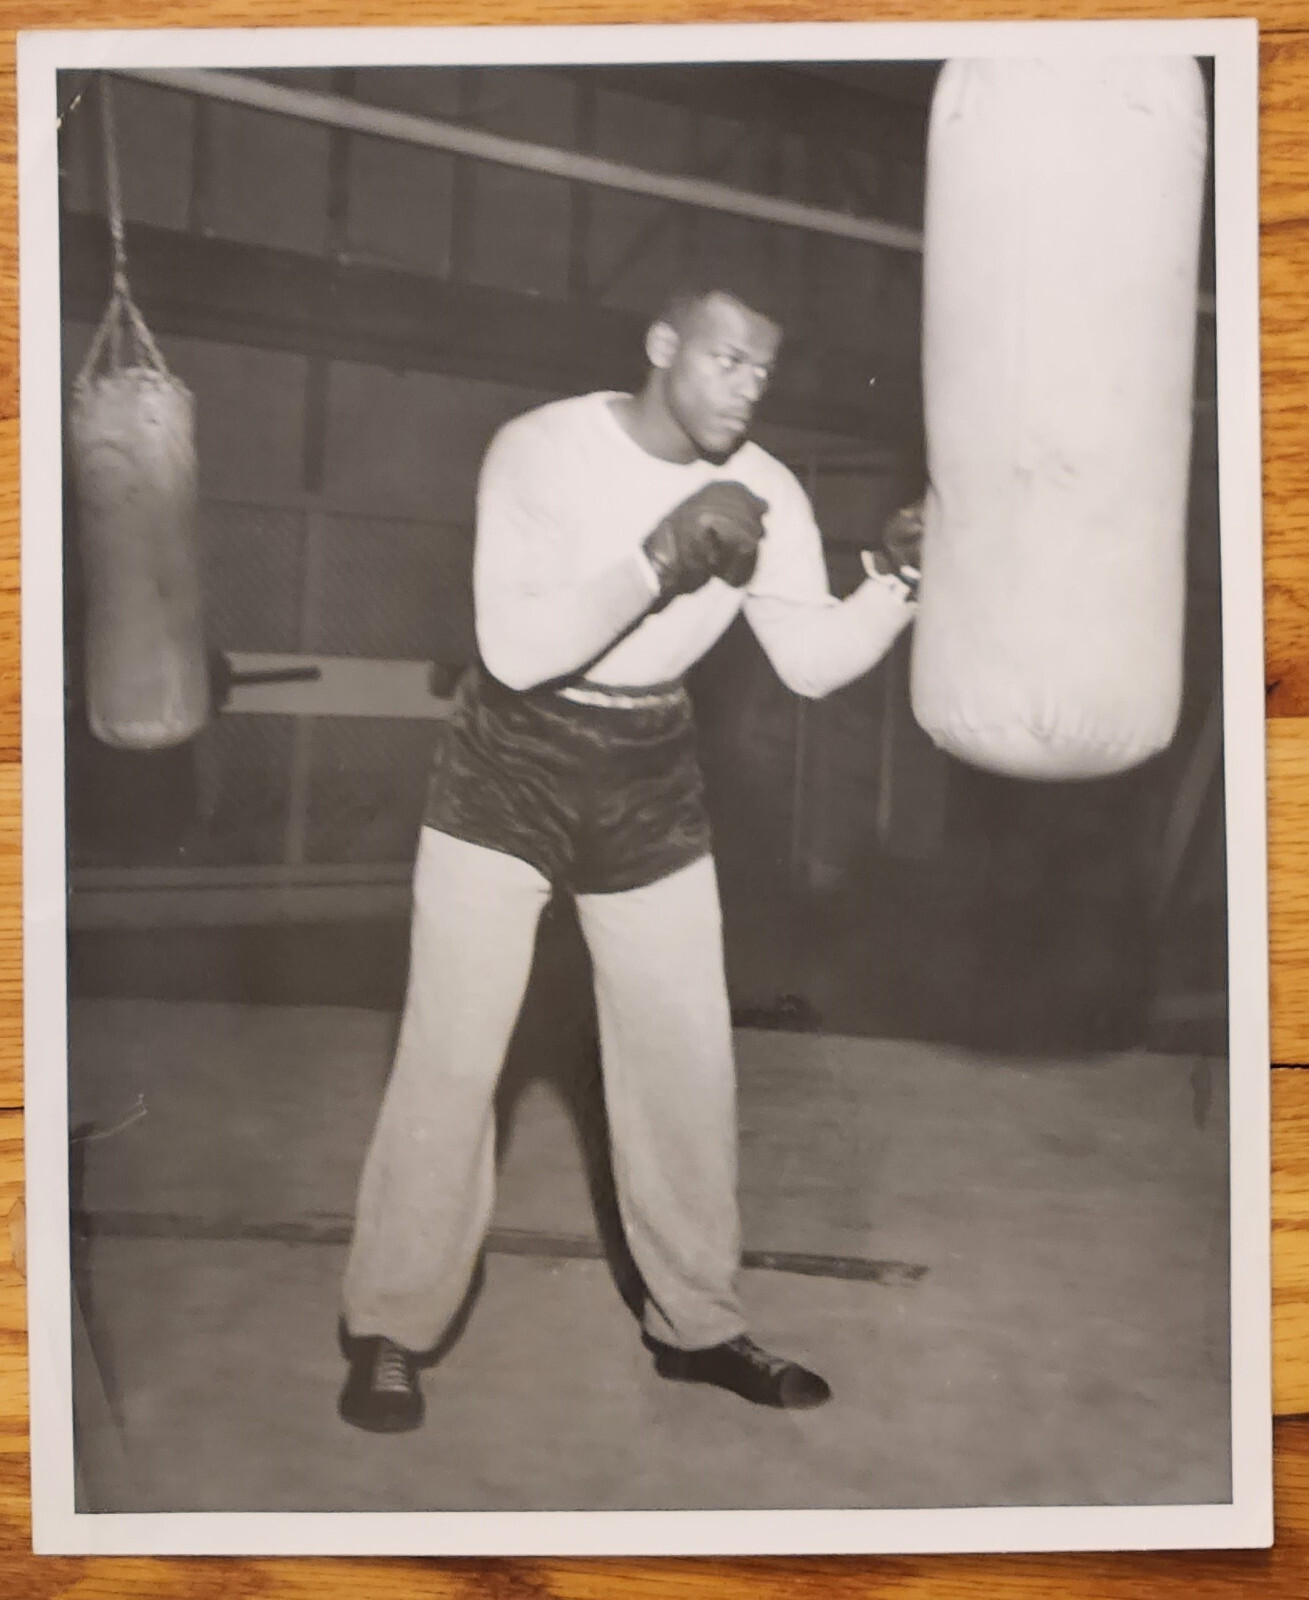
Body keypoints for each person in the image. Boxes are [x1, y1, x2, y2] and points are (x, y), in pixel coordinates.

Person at [338, 285, 922, 1433]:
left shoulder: (769, 489)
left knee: (685, 1063)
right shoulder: (541, 449)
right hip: (507, 762)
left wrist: (896, 583)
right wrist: (659, 559)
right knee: (451, 1059)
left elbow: (809, 661)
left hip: (649, 769)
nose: (746, 387)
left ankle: (696, 1325)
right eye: (724, 358)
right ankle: (391, 1327)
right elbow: (515, 651)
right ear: (662, 346)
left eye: (762, 370)